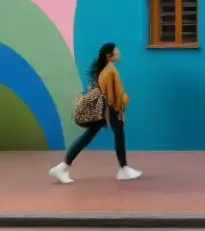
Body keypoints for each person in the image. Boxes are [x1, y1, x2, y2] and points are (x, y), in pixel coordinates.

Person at [49, 43, 143, 184]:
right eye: (116, 50)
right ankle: (123, 169)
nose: (119, 53)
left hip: (102, 109)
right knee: (117, 134)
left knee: (90, 136)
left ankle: (62, 167)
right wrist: (117, 108)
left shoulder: (104, 69)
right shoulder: (110, 70)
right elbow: (110, 95)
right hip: (108, 108)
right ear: (109, 55)